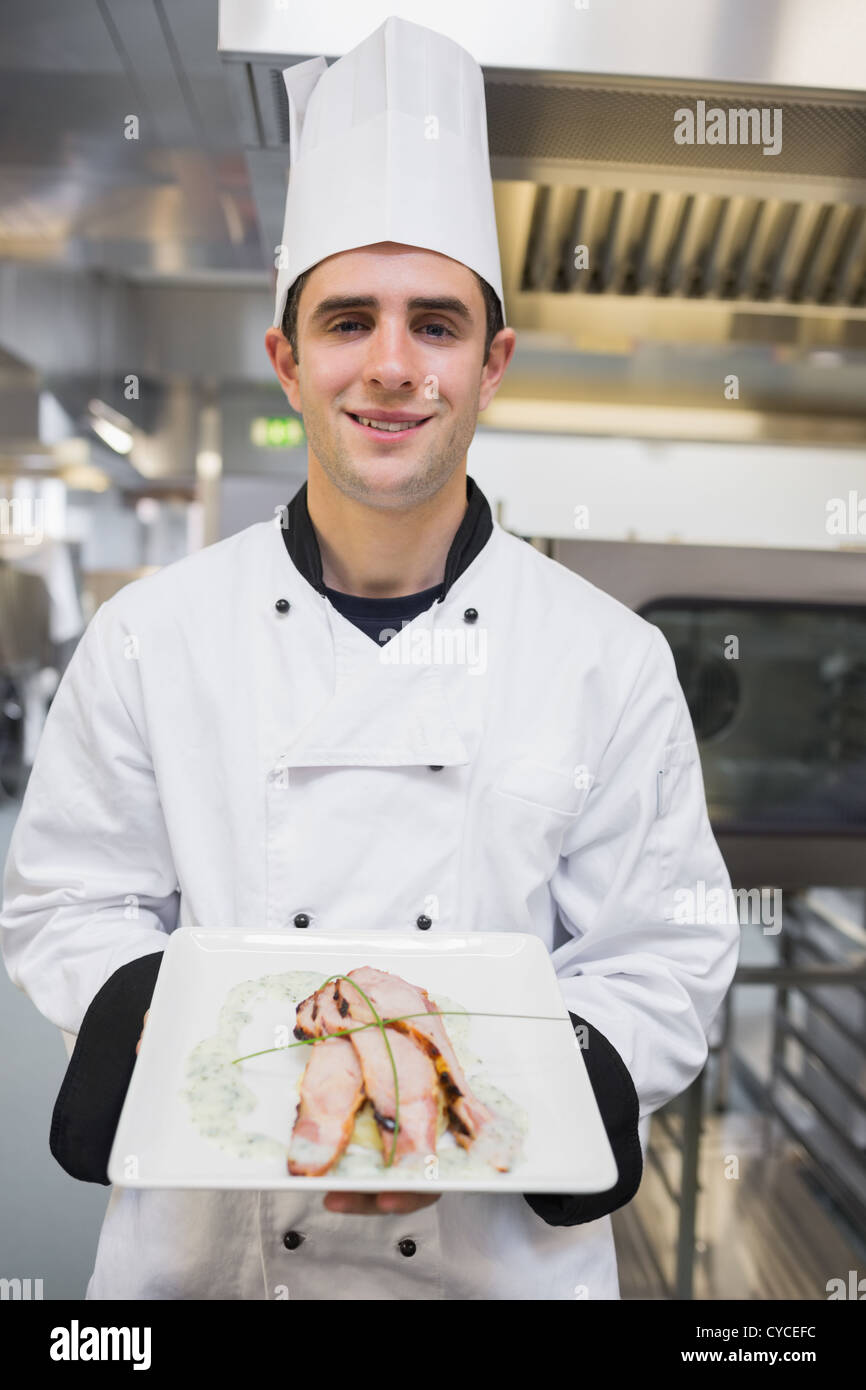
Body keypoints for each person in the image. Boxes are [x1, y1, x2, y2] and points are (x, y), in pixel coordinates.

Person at [0, 16, 738, 1300]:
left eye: (436, 324)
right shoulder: (151, 638)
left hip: (501, 1267)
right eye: (348, 320)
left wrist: (479, 1104)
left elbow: (660, 953)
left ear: (491, 363)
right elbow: (71, 903)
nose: (390, 367)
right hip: (212, 1267)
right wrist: (233, 1058)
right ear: (287, 359)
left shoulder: (605, 661)